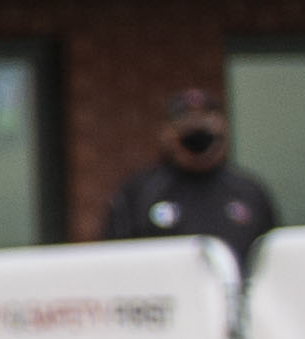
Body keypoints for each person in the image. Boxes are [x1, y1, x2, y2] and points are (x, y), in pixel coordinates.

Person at [99, 88, 277, 266]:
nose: (197, 125)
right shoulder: (139, 193)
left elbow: (272, 260)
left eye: (206, 118)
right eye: (186, 119)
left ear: (224, 126)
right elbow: (115, 260)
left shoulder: (249, 192)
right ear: (166, 131)